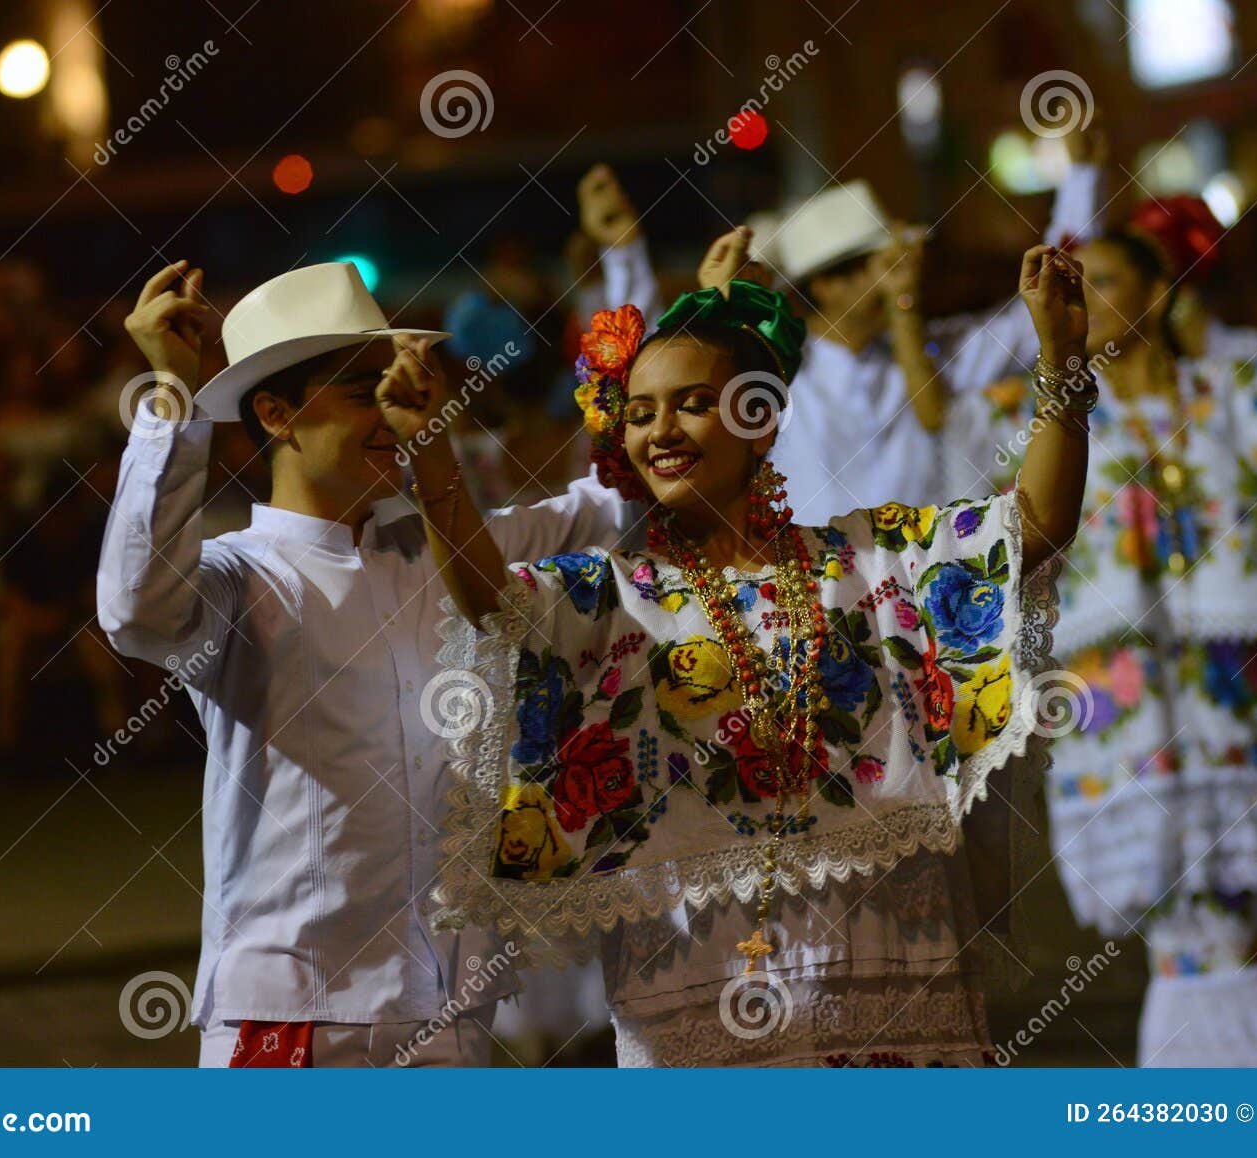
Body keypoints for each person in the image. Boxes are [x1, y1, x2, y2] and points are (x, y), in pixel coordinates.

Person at [377, 239, 1091, 1066]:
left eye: (690, 404)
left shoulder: (871, 560)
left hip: (886, 974)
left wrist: (1064, 361)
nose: (659, 432)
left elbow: (1031, 526)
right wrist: (429, 453)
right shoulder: (613, 598)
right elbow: (489, 600)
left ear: (759, 418)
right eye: (639, 413)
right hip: (696, 995)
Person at [97, 259, 637, 1067]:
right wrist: (171, 395)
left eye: (398, 385)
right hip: (290, 1022)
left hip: (450, 1016)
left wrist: (705, 333)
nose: (395, 413)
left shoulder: (455, 551)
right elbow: (134, 609)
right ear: (277, 414)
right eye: (362, 392)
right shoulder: (238, 577)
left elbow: (621, 505)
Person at [942, 196, 1257, 1066]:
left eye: (1104, 282)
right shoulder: (1034, 414)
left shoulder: (1230, 388)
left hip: (1236, 683)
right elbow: (982, 509)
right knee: (1182, 915)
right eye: (1076, 286)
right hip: (1117, 697)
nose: (1088, 299)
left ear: (1158, 294)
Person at [765, 124, 1107, 522]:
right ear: (828, 285)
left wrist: (1082, 180)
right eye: (884, 264)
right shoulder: (783, 372)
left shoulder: (932, 352)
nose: (903, 274)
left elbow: (1043, 305)